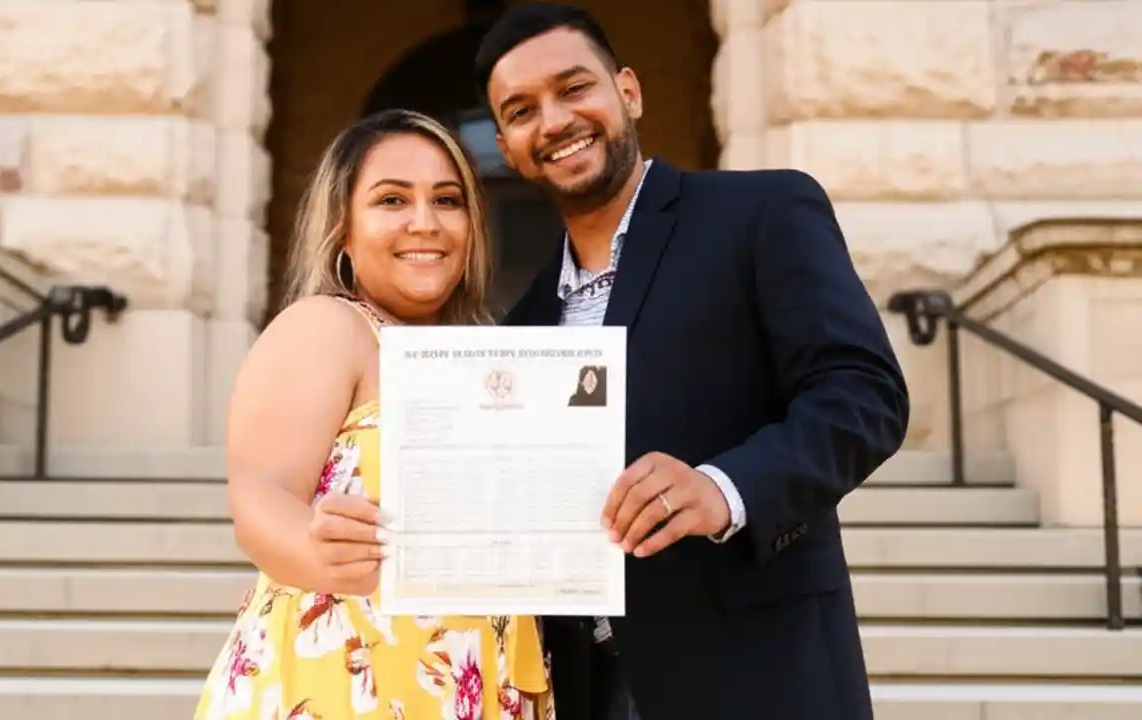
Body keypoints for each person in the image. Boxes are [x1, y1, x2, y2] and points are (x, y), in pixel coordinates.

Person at [475, 4, 910, 719]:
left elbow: (864, 394)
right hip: (586, 688)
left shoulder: (762, 211)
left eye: (573, 88)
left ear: (628, 92)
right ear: (507, 147)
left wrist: (726, 487)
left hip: (759, 674)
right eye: (522, 111)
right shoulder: (518, 328)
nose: (553, 121)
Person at [194, 109, 552, 720]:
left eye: (447, 200)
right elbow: (260, 493)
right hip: (344, 681)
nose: (425, 223)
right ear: (343, 229)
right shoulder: (330, 327)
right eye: (392, 200)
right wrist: (313, 548)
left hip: (477, 685)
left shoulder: (493, 356)